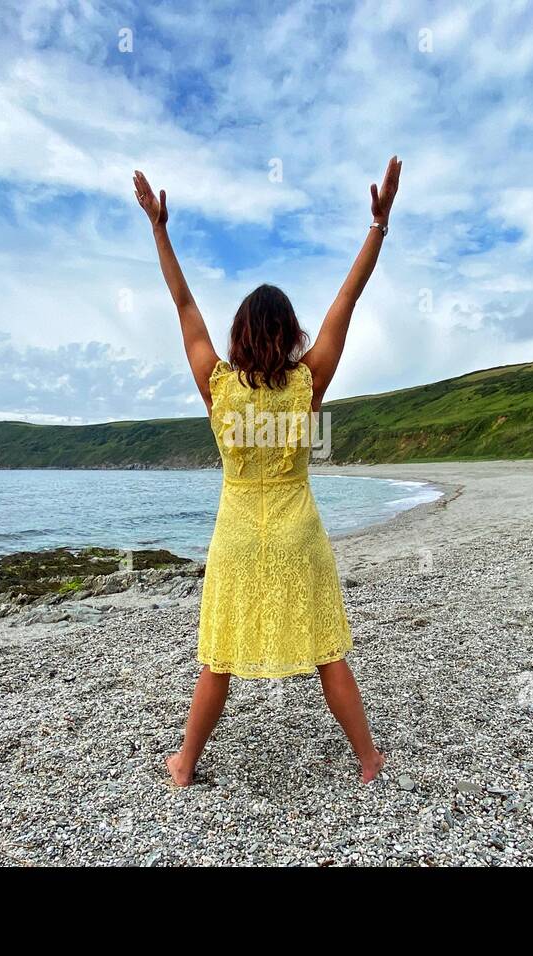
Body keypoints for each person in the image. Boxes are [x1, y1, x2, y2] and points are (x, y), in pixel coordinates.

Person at [132, 156, 402, 786]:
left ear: (240, 334)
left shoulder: (216, 387)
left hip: (236, 535)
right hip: (296, 528)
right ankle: (367, 761)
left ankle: (184, 765)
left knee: (218, 658)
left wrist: (159, 230)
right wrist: (378, 229)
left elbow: (181, 302)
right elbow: (347, 301)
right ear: (288, 335)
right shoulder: (307, 383)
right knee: (327, 651)